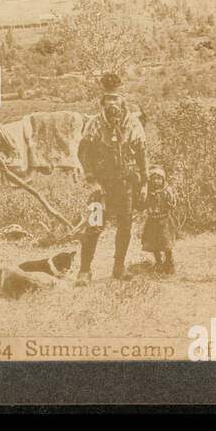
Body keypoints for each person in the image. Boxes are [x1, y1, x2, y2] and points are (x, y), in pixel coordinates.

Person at [76, 75, 148, 284]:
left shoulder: (132, 123)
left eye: (115, 98)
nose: (112, 103)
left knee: (125, 225)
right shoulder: (95, 124)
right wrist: (93, 180)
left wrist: (143, 182)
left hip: (125, 184)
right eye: (108, 99)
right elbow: (84, 154)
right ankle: (85, 270)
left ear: (122, 100)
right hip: (102, 185)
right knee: (94, 226)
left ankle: (119, 268)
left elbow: (142, 152)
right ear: (103, 102)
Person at [140, 167, 178, 275]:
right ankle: (158, 262)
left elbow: (173, 203)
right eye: (154, 179)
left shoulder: (167, 190)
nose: (156, 181)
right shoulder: (148, 192)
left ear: (163, 179)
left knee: (166, 243)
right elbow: (143, 204)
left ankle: (169, 261)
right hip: (152, 220)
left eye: (159, 179)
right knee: (154, 243)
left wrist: (170, 202)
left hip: (164, 220)